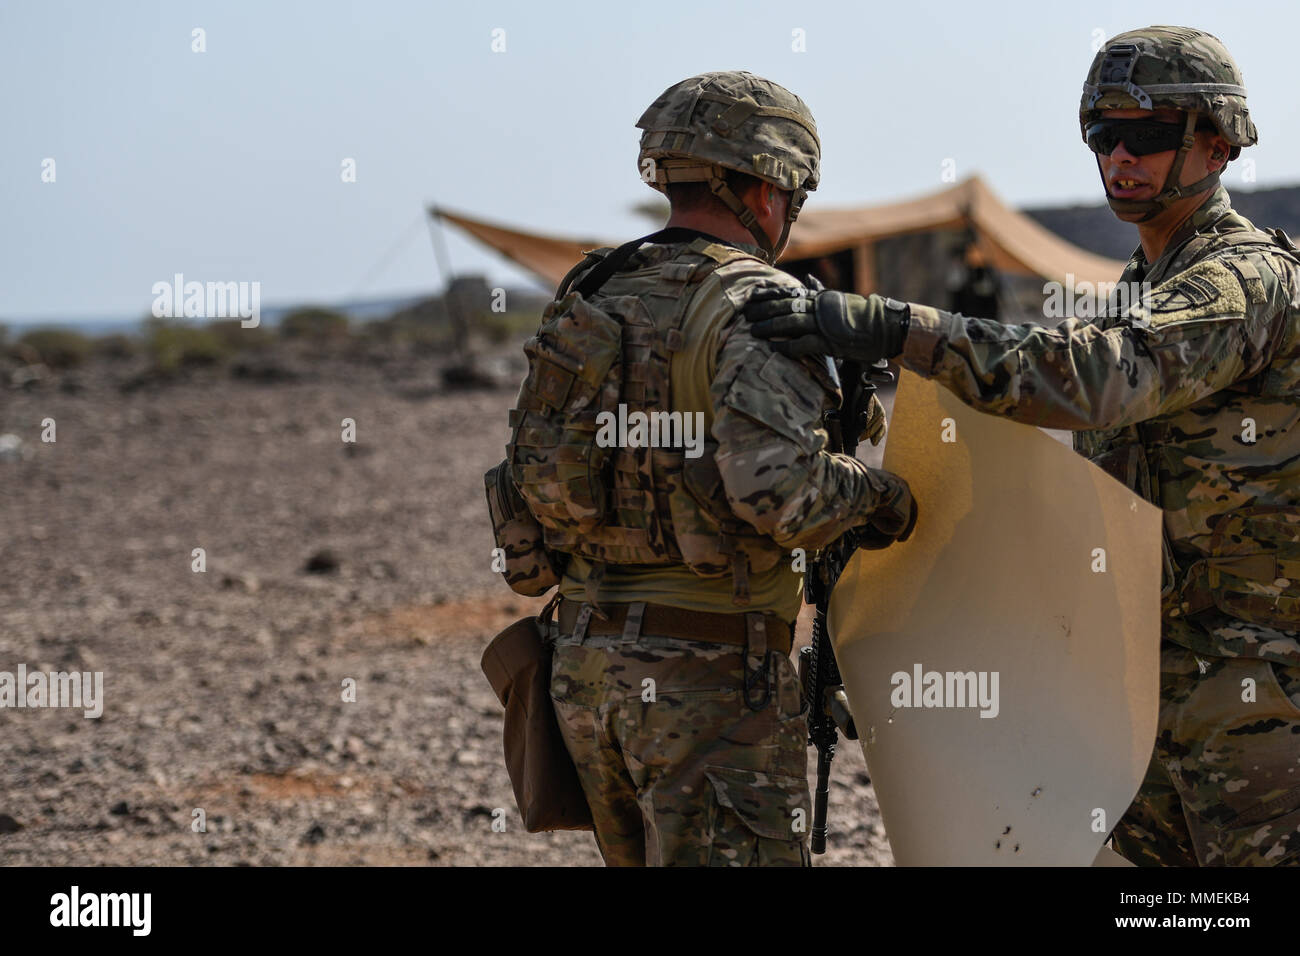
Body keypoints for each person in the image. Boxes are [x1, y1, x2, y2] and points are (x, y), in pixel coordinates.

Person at [744, 26, 1300, 867]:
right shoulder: (1141, 288)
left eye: (1147, 135)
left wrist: (900, 330)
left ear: (1217, 143)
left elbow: (1096, 377)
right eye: (1101, 134)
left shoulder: (1241, 280)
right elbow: (1067, 499)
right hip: (1143, 683)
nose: (1119, 156)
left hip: (1256, 687)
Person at [512, 71, 915, 866]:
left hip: (585, 671)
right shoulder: (759, 303)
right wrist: (884, 499)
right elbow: (782, 494)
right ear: (768, 187)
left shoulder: (594, 285)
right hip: (708, 682)